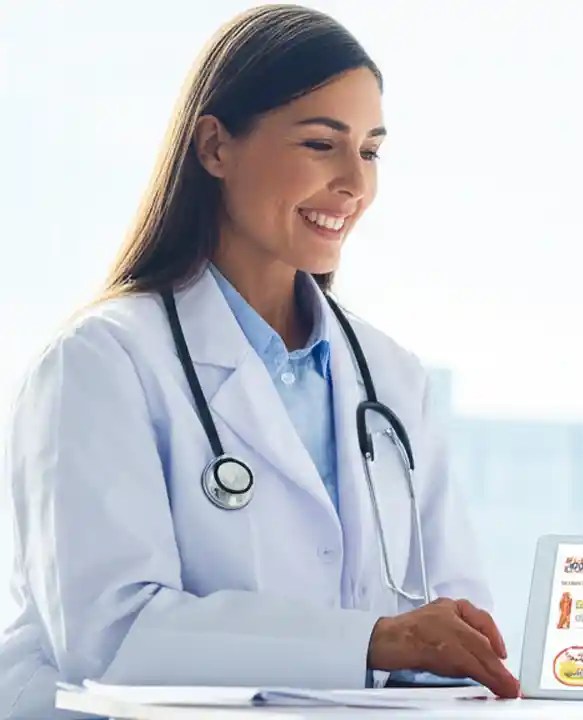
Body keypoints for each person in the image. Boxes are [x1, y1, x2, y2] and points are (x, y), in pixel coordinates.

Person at [0, 6, 520, 718]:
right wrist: (374, 641)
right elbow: (111, 635)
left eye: (369, 151)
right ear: (215, 147)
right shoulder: (99, 364)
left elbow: (451, 634)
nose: (354, 184)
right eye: (320, 144)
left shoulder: (391, 379)